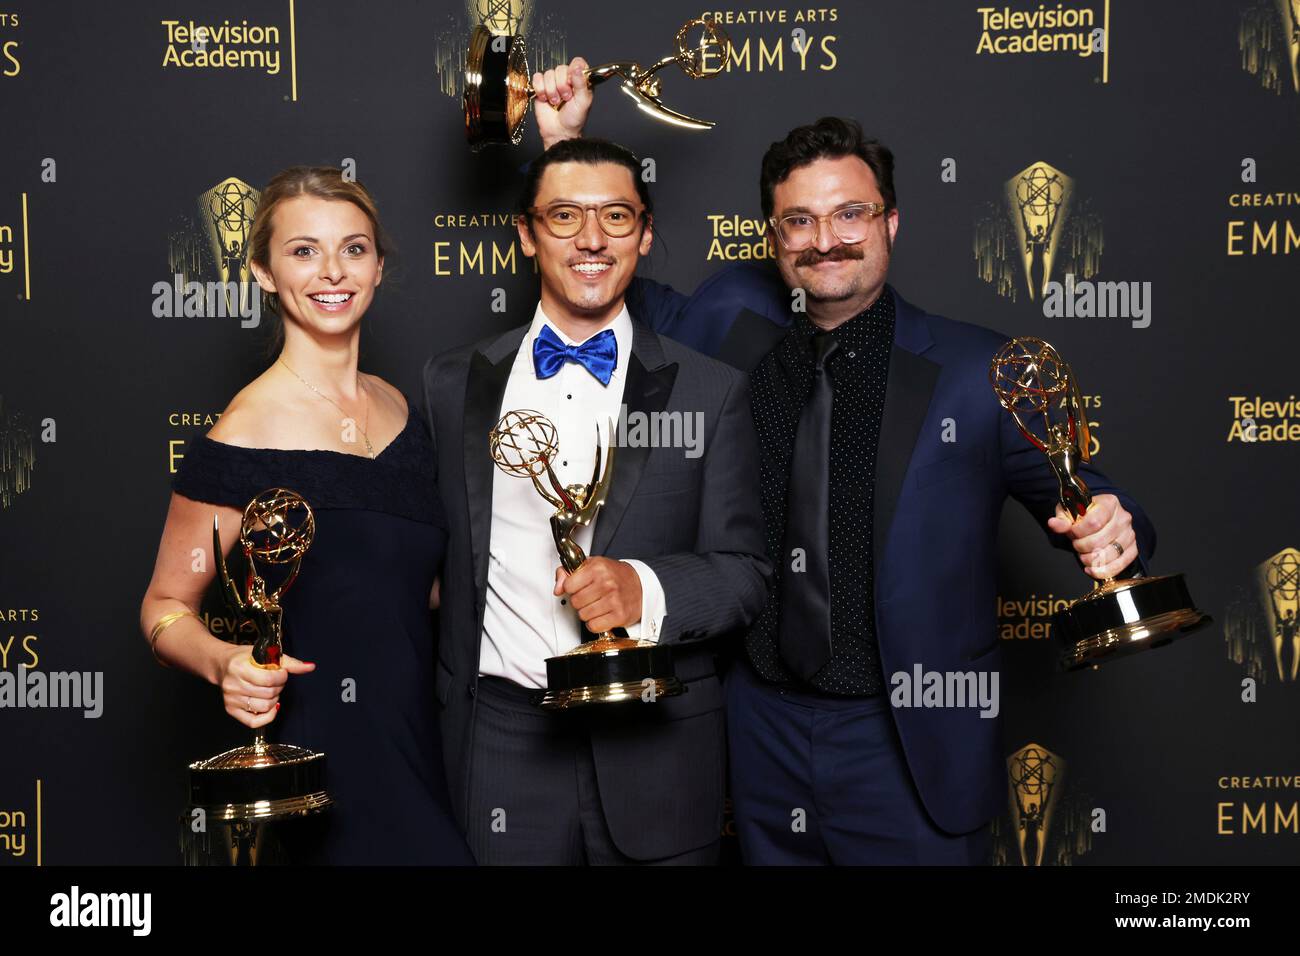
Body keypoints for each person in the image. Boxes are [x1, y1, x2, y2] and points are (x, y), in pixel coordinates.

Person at [535, 62, 1157, 864]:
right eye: (799, 222)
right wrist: (566, 144)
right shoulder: (729, 317)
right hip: (759, 727)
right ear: (772, 237)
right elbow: (598, 274)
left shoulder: (978, 372)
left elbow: (1098, 502)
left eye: (850, 214)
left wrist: (1118, 531)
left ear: (891, 222)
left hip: (906, 738)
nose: (826, 239)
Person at [423, 137, 772, 865]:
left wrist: (641, 588)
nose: (591, 239)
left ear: (644, 236)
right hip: (500, 745)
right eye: (564, 216)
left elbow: (746, 572)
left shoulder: (712, 390)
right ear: (525, 233)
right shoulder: (450, 384)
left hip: (659, 744)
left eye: (616, 217)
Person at [139, 166, 473, 865]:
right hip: (318, 765)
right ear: (262, 271)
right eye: (303, 251)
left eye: (353, 248)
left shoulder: (408, 413)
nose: (333, 271)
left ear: (379, 266)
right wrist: (227, 661)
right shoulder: (245, 431)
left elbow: (420, 585)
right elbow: (165, 605)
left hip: (429, 746)